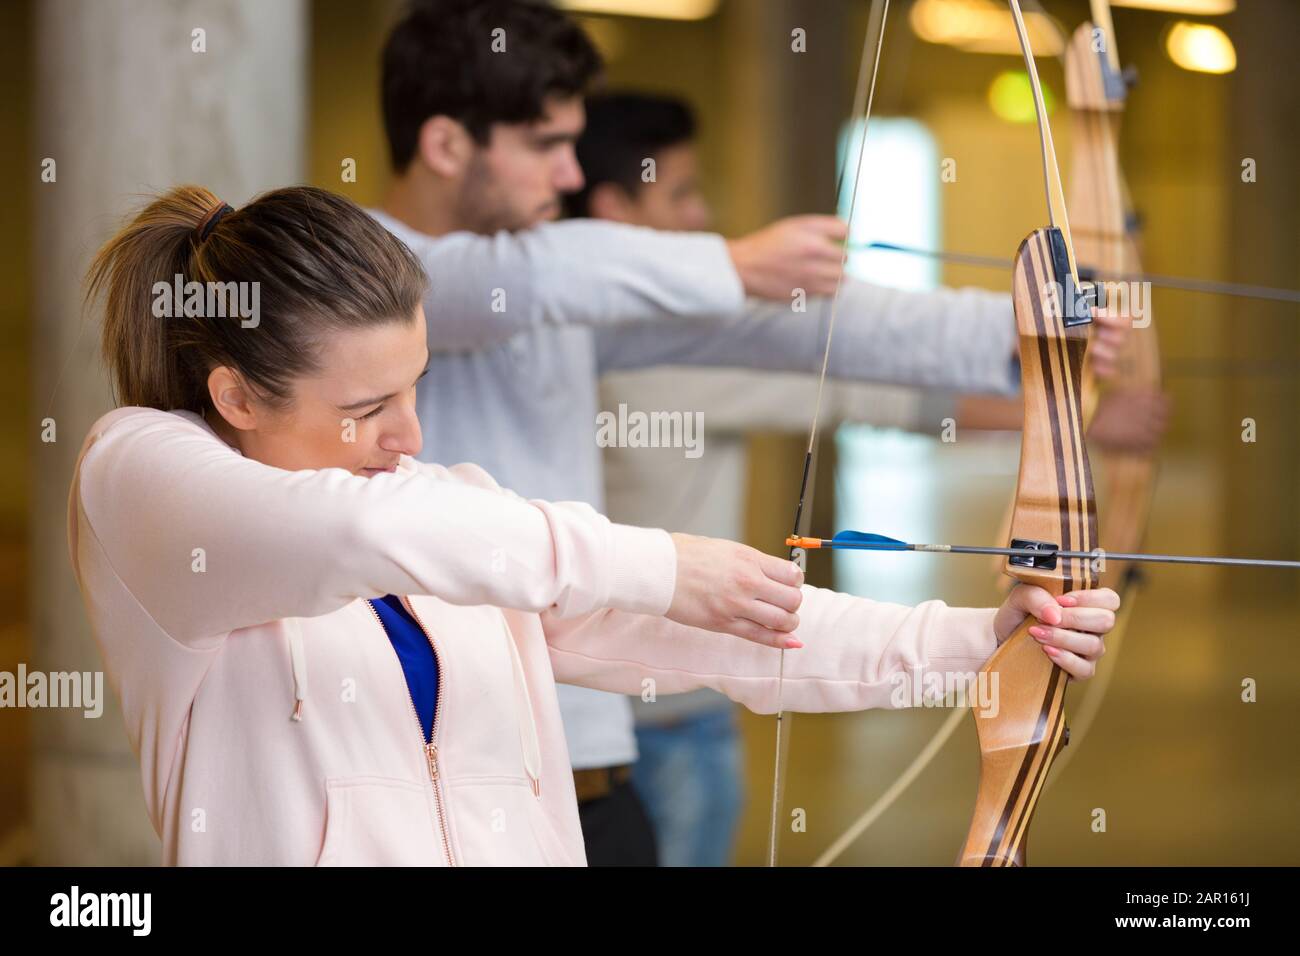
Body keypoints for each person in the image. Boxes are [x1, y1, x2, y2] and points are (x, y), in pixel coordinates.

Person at [69, 184, 1118, 866]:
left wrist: (976, 642)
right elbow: (353, 533)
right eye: (364, 410)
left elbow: (722, 636)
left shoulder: (458, 511)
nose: (410, 432)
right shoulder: (143, 482)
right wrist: (661, 560)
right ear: (237, 396)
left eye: (416, 387)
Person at [369, 0, 1130, 863]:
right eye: (546, 144)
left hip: (582, 743)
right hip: (435, 762)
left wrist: (1011, 330)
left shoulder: (558, 289)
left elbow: (789, 327)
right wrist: (727, 261)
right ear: (444, 146)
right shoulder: (364, 279)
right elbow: (505, 279)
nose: (569, 171)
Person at [572, 91, 1168, 865]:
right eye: (679, 193)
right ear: (613, 207)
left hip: (669, 695)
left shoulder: (643, 330)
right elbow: (861, 383)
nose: (701, 215)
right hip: (661, 712)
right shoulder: (643, 347)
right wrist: (1066, 407)